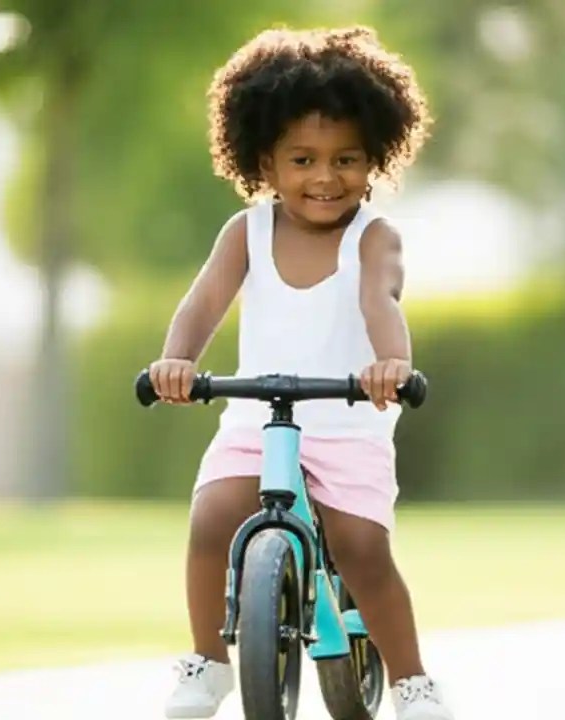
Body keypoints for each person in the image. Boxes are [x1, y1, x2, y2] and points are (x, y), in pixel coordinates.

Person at [147, 24, 452, 720]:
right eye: (303, 159)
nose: (324, 177)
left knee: (362, 548)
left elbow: (380, 302)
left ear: (375, 157)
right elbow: (202, 305)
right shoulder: (246, 232)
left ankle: (412, 682)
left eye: (346, 159)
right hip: (256, 421)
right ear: (265, 161)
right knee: (211, 521)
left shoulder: (374, 237)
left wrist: (391, 364)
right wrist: (177, 361)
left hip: (347, 422)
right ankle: (208, 661)